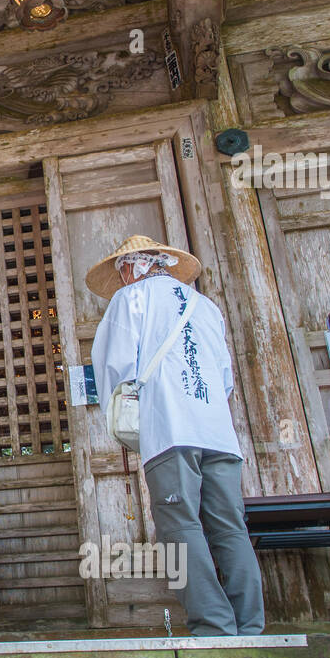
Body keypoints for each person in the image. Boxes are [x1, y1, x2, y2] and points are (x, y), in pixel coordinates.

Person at [88, 235, 264, 636]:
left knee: (179, 526)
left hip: (169, 430)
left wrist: (122, 416)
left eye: (122, 272)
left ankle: (214, 626)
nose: (122, 279)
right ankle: (250, 626)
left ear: (133, 266)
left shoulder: (129, 301)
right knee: (230, 526)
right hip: (218, 434)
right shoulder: (206, 307)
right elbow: (223, 378)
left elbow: (115, 370)